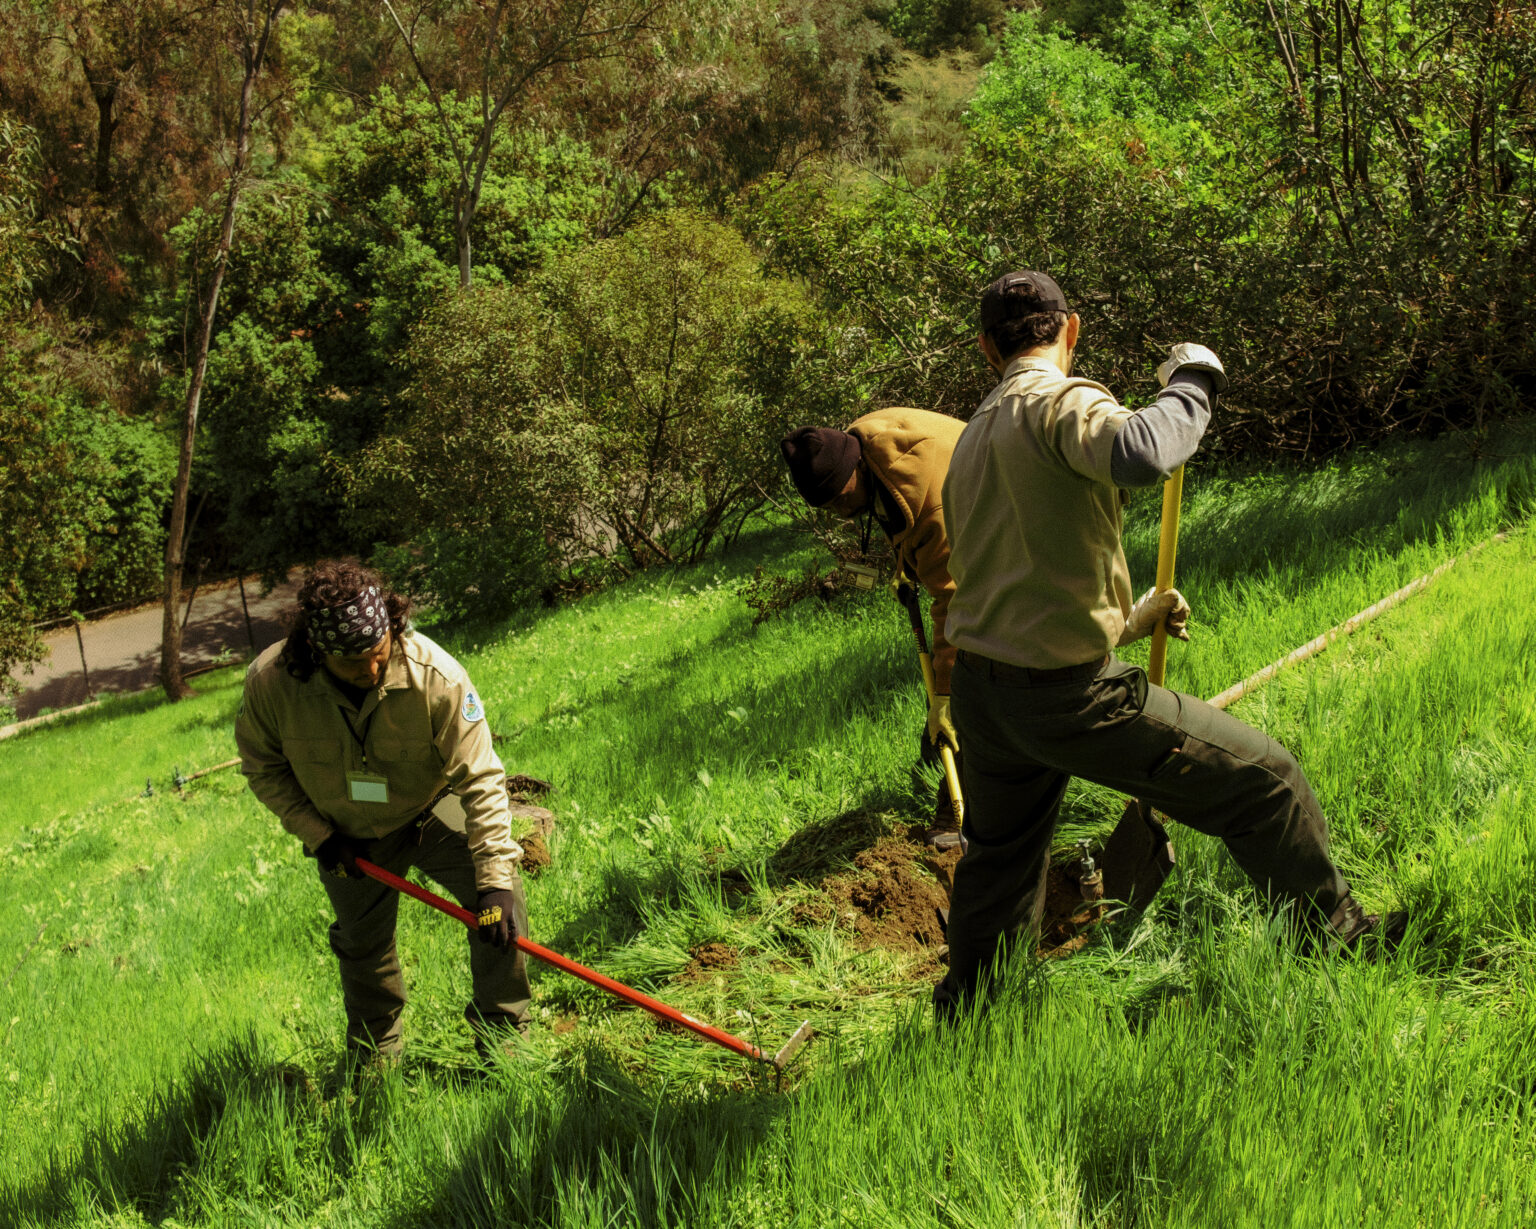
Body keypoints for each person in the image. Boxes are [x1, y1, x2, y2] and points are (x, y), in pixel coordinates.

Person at [934, 270, 1403, 1015]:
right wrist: (1193, 379)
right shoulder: (1059, 400)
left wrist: (1138, 614)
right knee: (1267, 781)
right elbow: (1144, 450)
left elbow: (1022, 586)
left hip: (986, 696)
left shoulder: (972, 439)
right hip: (1067, 695)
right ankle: (1344, 937)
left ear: (987, 350)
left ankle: (972, 1013)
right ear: (1072, 329)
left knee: (999, 861)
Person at [235, 560, 531, 1061]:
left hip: (435, 807)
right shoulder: (272, 684)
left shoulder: (436, 676)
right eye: (352, 663)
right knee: (362, 948)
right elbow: (263, 769)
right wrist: (321, 837)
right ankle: (376, 1056)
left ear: (391, 629)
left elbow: (480, 777)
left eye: (378, 653)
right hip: (347, 833)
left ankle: (505, 1043)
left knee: (503, 912)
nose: (370, 671)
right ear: (318, 653)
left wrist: (495, 880)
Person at [780, 407, 965, 846]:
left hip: (1015, 548)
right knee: (950, 692)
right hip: (963, 537)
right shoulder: (860, 446)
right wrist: (906, 566)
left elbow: (955, 605)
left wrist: (946, 696)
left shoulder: (930, 494)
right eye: (831, 507)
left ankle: (960, 809)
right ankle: (937, 748)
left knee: (975, 682)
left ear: (858, 466)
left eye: (844, 500)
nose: (844, 513)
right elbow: (895, 513)